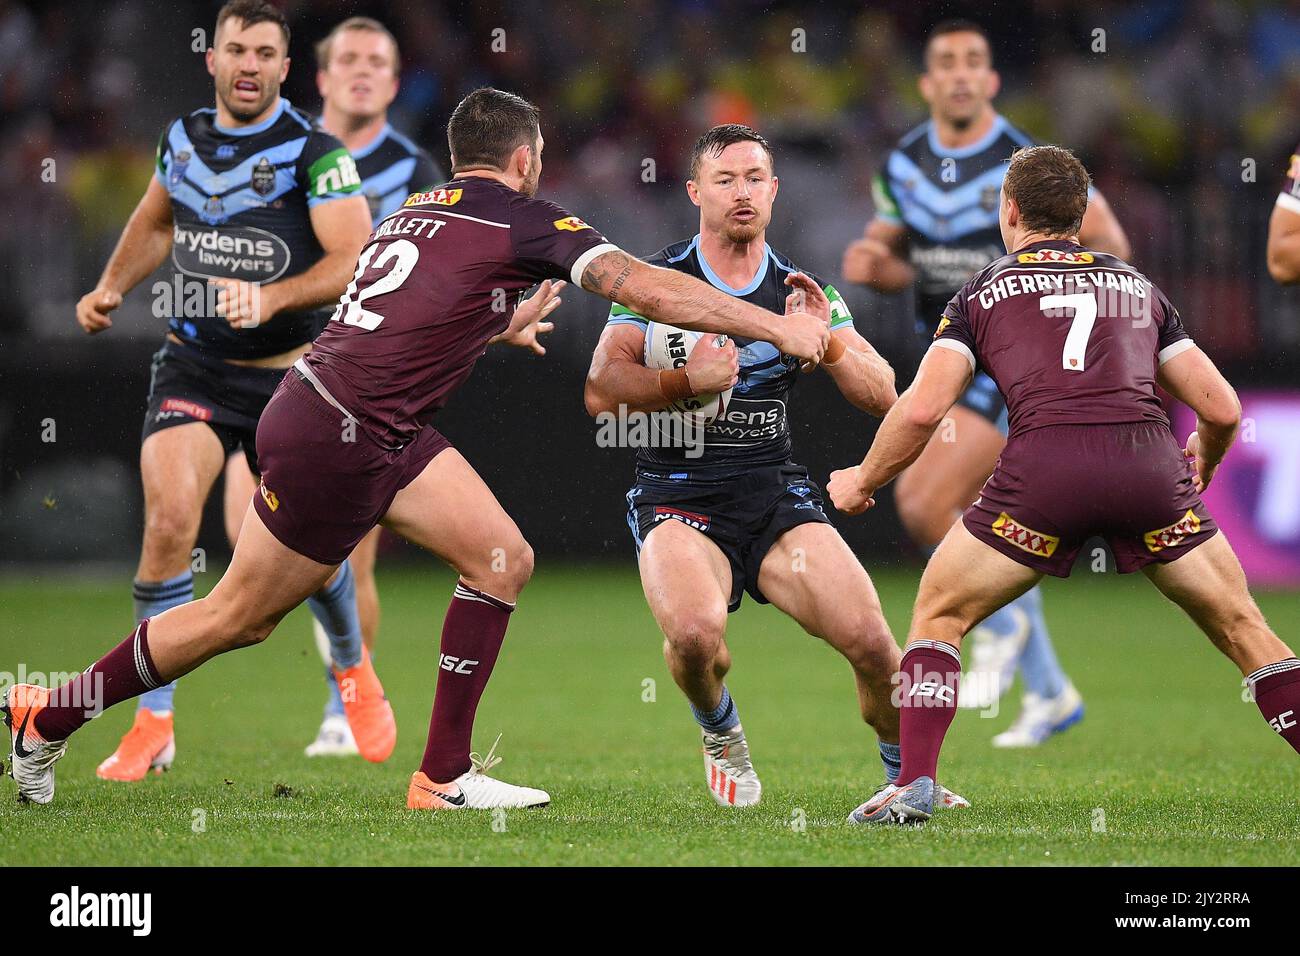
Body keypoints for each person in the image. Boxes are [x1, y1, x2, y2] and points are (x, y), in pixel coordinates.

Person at [4, 87, 832, 810]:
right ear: (523, 158)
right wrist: (776, 327)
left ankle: (442, 775)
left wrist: (492, 322)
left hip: (343, 414)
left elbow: (403, 314)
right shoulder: (521, 215)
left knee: (501, 555)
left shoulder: (418, 209)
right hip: (347, 431)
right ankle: (52, 715)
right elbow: (648, 287)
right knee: (237, 618)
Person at [827, 145, 1300, 824]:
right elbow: (1222, 407)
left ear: (1009, 210)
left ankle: (916, 785)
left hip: (1043, 477)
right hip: (1149, 470)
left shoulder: (984, 291)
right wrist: (1204, 462)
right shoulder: (1138, 289)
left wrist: (863, 479)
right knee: (1243, 627)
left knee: (940, 615)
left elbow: (925, 408)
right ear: (1080, 216)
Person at [585, 124, 966, 811]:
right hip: (677, 495)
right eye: (725, 179)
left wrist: (829, 344)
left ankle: (905, 782)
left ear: (774, 191)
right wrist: (684, 381)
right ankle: (720, 729)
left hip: (773, 497)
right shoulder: (658, 281)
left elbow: (885, 396)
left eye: (756, 178)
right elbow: (601, 390)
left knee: (876, 646)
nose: (743, 192)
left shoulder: (802, 288)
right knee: (697, 639)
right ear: (695, 191)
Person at [71, 0, 392, 780]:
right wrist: (110, 286)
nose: (248, 65)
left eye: (264, 53)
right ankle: (153, 724)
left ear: (286, 68)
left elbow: (354, 257)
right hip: (194, 367)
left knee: (305, 560)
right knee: (169, 523)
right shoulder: (181, 139)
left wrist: (275, 297)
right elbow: (156, 221)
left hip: (292, 380)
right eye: (235, 50)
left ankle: (351, 665)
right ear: (211, 58)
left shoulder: (314, 153)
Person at [842, 19, 1131, 745]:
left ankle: (998, 624)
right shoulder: (904, 161)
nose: (963, 74)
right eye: (948, 63)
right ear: (928, 83)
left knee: (922, 497)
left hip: (1015, 365)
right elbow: (892, 241)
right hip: (953, 350)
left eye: (976, 61)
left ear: (993, 80)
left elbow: (1115, 249)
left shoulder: (1028, 165)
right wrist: (875, 257)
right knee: (971, 513)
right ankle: (1049, 686)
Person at [220, 15, 445, 758]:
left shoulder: (414, 174)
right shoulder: (277, 152)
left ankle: (341, 706)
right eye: (346, 58)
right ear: (318, 77)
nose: (361, 70)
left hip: (360, 389)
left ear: (392, 79)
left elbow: (439, 281)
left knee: (354, 555)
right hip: (259, 371)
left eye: (377, 61)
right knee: (248, 551)